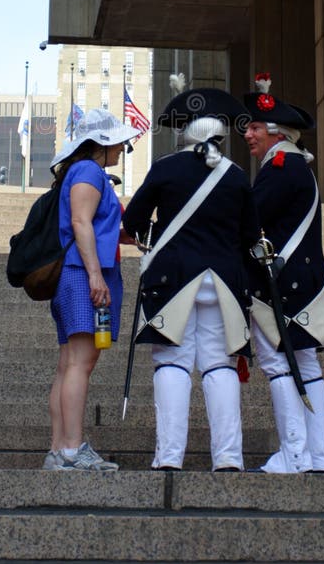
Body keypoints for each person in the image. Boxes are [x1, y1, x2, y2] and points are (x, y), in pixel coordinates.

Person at [123, 84, 260, 472]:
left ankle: (168, 457)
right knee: (219, 367)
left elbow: (132, 222)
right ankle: (229, 457)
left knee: (171, 365)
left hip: (172, 278)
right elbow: (251, 236)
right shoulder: (236, 176)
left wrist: (155, 236)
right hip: (225, 281)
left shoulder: (165, 167)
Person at [243, 73, 324, 473]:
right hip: (304, 280)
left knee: (278, 363)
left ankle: (295, 453)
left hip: (282, 285)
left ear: (277, 133)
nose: (247, 134)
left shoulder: (280, 166)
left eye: (255, 127)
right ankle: (317, 457)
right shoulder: (292, 165)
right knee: (307, 366)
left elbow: (249, 220)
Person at [42, 108, 140, 472]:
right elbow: (81, 222)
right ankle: (71, 448)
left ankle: (60, 448)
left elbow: (95, 224)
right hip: (83, 274)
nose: (123, 146)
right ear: (101, 142)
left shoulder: (82, 171)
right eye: (118, 140)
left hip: (77, 273)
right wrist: (96, 276)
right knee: (80, 364)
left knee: (70, 364)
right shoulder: (88, 171)